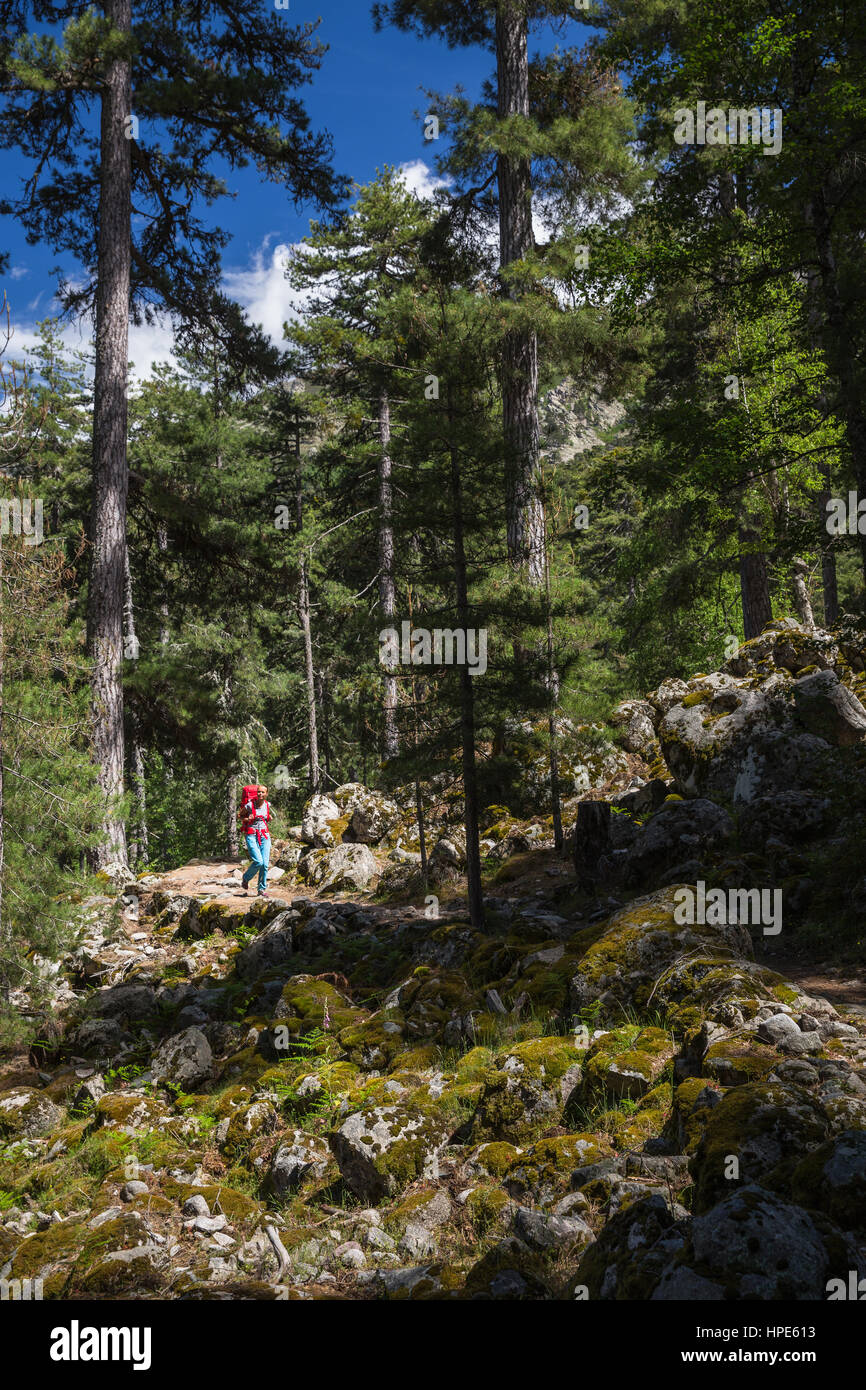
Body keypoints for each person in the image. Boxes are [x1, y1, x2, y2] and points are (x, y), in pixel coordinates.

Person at [240, 784, 272, 897]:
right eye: (259, 792)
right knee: (258, 861)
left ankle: (261, 890)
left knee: (265, 864)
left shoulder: (268, 805)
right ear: (256, 793)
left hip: (265, 835)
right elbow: (240, 815)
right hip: (252, 835)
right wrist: (247, 818)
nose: (260, 794)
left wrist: (269, 818)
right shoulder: (250, 805)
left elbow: (267, 817)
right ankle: (246, 878)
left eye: (263, 792)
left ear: (266, 794)